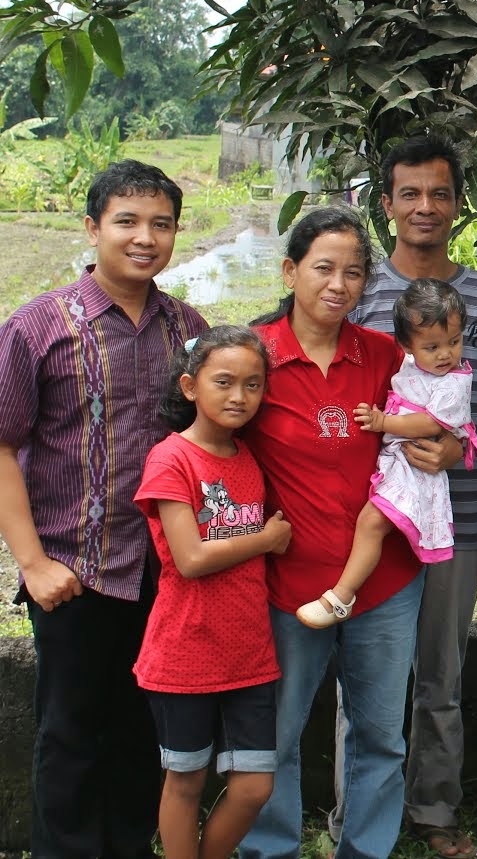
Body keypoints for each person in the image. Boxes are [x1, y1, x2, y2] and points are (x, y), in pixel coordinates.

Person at [238, 205, 462, 859]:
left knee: (380, 735)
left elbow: (442, 421)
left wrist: (448, 451)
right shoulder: (254, 354)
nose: (339, 284)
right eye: (324, 268)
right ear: (291, 271)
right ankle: (270, 848)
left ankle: (365, 848)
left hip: (384, 582)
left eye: (355, 272)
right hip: (288, 582)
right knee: (277, 733)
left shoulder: (386, 354)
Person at [0, 160, 208, 859]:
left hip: (167, 572)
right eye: (127, 221)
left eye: (161, 223)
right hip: (75, 571)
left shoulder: (188, 329)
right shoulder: (38, 326)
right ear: (93, 228)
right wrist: (33, 564)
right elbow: (2, 445)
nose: (144, 237)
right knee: (70, 732)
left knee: (141, 729)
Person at [342, 134, 477, 858]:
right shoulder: (356, 293)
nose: (426, 206)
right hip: (377, 517)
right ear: (386, 204)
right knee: (363, 676)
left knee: (442, 676)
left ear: (458, 203)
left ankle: (435, 808)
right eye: (410, 193)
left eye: (440, 193)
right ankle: (357, 816)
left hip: (462, 516)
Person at [135, 325, 291, 859]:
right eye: (223, 381)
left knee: (255, 787)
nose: (238, 396)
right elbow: (191, 559)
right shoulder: (171, 458)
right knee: (185, 782)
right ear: (190, 386)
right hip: (184, 652)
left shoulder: (247, 458)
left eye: (253, 384)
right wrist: (264, 539)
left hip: (249, 654)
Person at [299, 279, 477, 627]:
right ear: (406, 346)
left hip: (414, 469)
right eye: (432, 346)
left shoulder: (454, 382)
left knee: (371, 523)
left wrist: (382, 422)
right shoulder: (411, 366)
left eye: (454, 342)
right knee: (371, 525)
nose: (446, 354)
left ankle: (341, 596)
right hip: (400, 461)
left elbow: (430, 423)